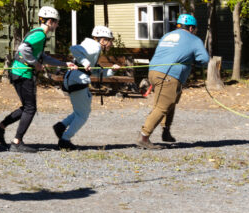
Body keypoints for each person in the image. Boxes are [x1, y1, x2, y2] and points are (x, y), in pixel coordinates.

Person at [0, 6, 75, 153]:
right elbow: (23, 49)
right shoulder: (40, 34)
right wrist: (35, 64)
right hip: (23, 73)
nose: (57, 25)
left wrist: (64, 64)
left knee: (26, 107)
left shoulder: (39, 34)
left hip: (19, 72)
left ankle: (0, 127)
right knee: (30, 108)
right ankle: (17, 142)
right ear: (49, 21)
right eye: (56, 22)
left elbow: (43, 57)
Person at [137, 13, 210, 150]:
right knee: (162, 107)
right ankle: (143, 137)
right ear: (191, 28)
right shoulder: (194, 39)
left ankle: (166, 131)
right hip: (169, 75)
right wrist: (193, 60)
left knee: (170, 102)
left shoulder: (167, 36)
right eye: (194, 29)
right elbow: (204, 59)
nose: (194, 31)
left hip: (154, 72)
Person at [53, 25, 120, 150]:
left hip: (74, 79)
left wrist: (111, 70)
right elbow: (73, 48)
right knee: (82, 115)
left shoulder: (95, 48)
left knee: (81, 112)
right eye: (110, 40)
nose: (111, 44)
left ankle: (61, 127)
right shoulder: (94, 47)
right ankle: (65, 140)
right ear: (102, 40)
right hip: (77, 80)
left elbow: (94, 71)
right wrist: (85, 62)